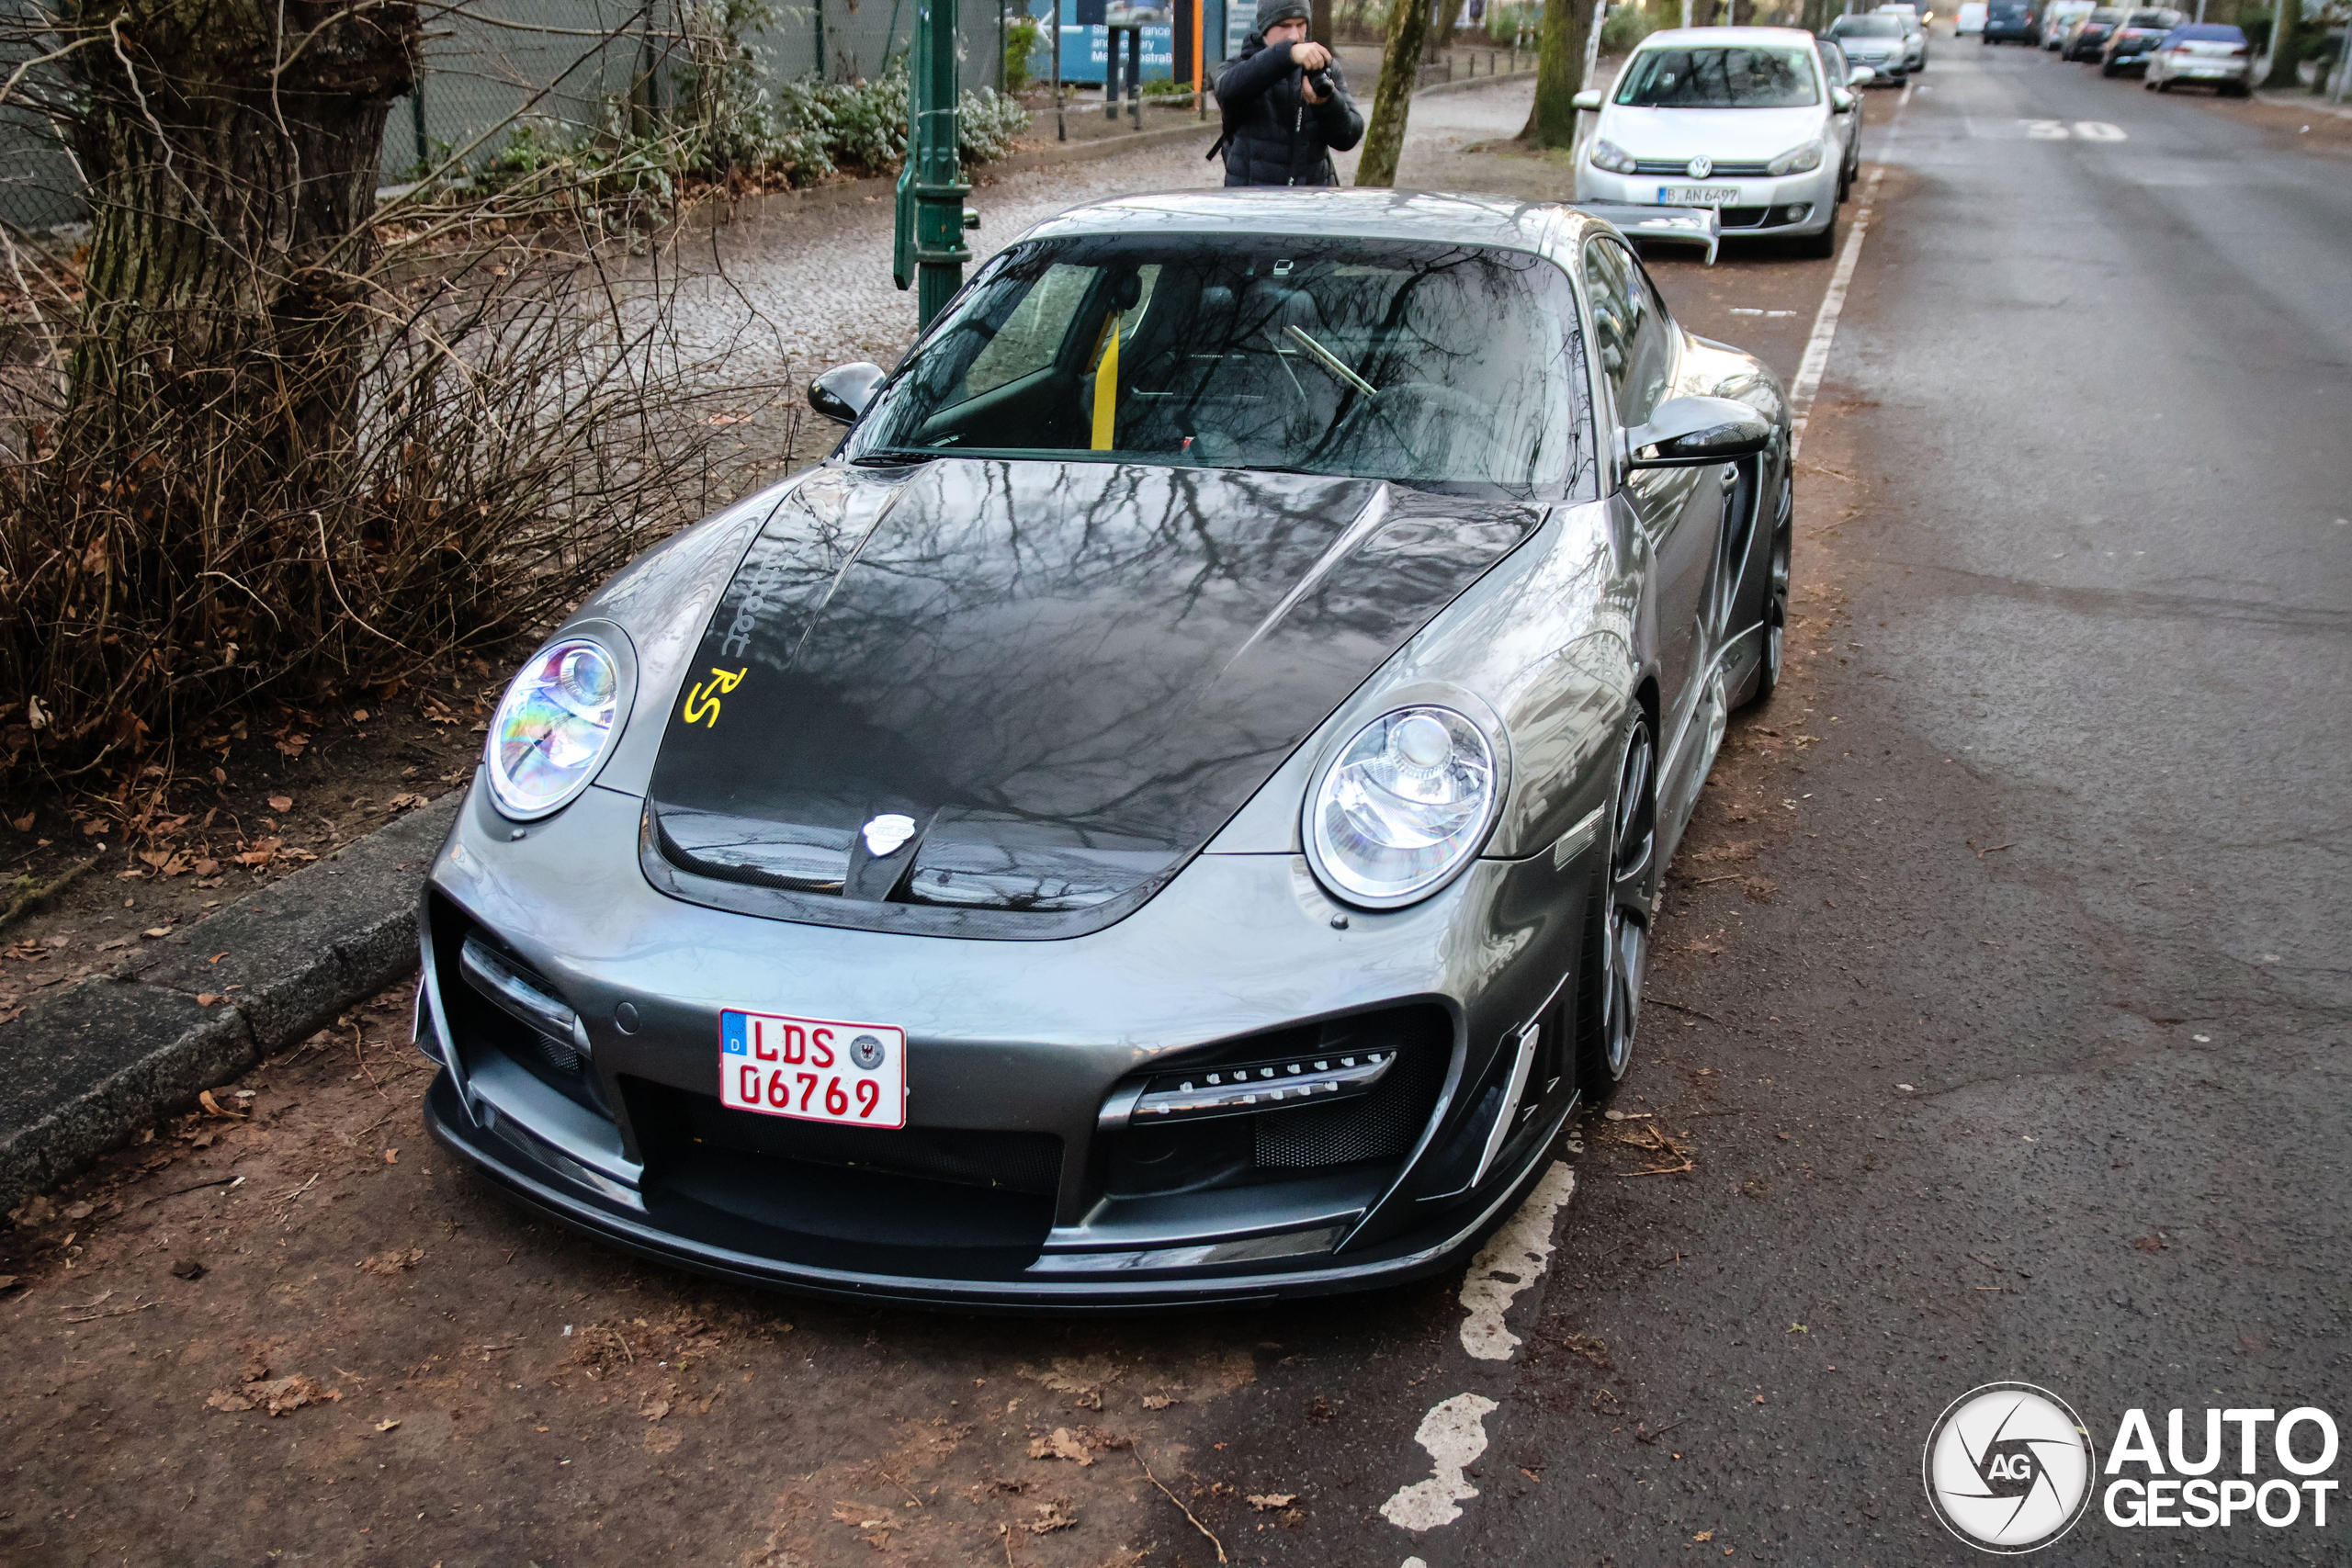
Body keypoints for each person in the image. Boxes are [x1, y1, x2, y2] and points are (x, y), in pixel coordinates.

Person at [1212, 0, 1364, 186]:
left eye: (1301, 24)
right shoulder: (1237, 67)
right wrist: (1286, 55)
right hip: (1253, 200)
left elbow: (1348, 136)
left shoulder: (1326, 67)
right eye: (1284, 25)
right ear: (1265, 27)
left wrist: (1326, 103)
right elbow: (1227, 92)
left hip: (1313, 198)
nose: (1295, 35)